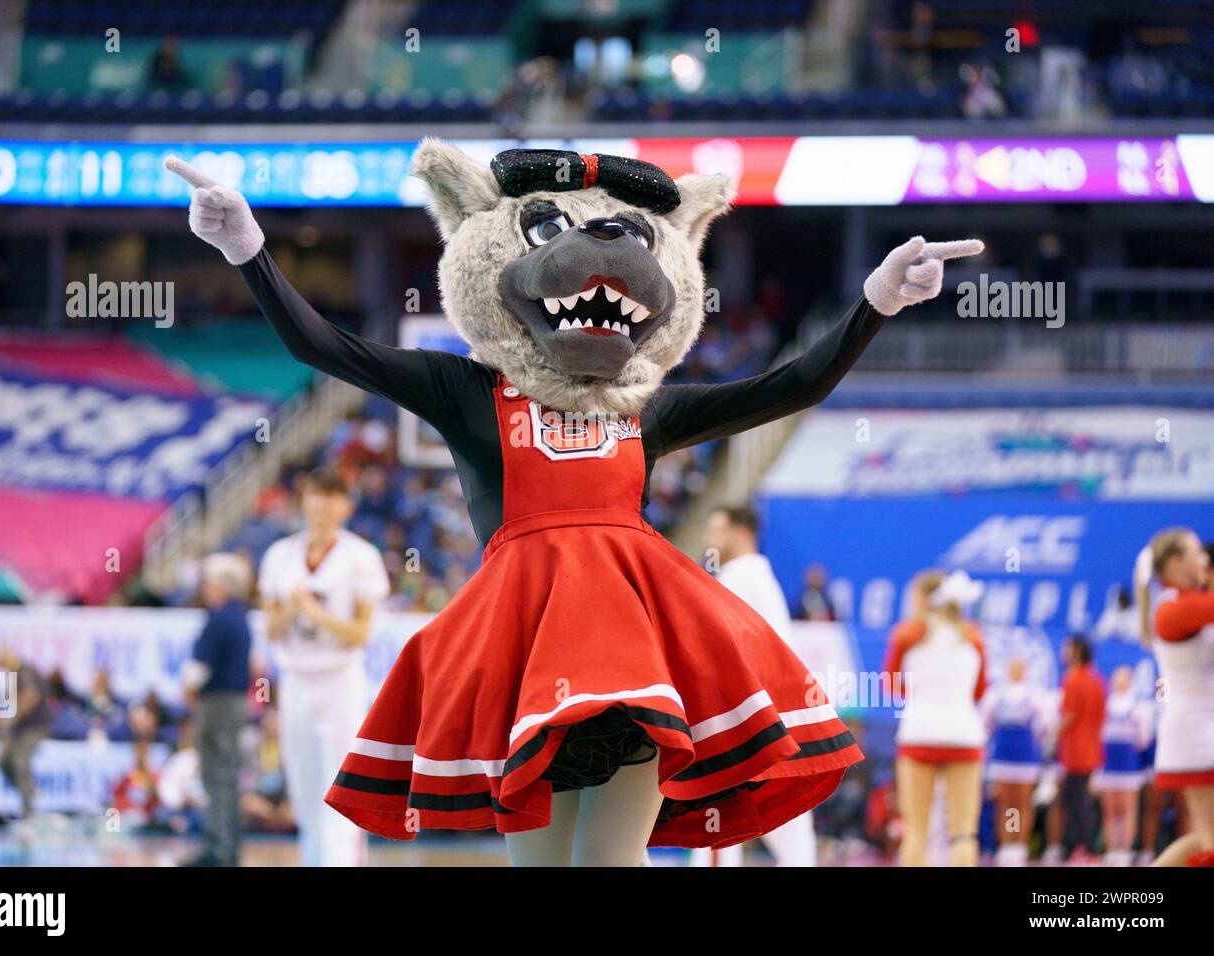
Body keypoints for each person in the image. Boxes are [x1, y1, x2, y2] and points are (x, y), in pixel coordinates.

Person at [166, 141, 979, 865]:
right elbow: (323, 344)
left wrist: (874, 303)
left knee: (611, 861)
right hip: (530, 658)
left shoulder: (644, 408)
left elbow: (788, 386)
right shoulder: (466, 390)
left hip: (636, 669)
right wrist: (250, 251)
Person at [258, 467, 389, 867]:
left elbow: (361, 634)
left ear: (346, 506)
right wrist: (293, 610)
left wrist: (314, 613)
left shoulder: (360, 556)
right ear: (304, 500)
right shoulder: (280, 556)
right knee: (304, 788)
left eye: (331, 497)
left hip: (339, 679)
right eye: (315, 495)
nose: (320, 505)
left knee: (341, 784)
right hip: (297, 679)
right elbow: (271, 628)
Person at [690, 505, 816, 867]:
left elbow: (716, 651)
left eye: (716, 530)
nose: (708, 540)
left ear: (741, 533)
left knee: (721, 816)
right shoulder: (754, 577)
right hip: (767, 711)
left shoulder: (740, 577)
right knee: (783, 821)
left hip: (751, 714)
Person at [885, 569, 987, 867]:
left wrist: (921, 690)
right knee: (963, 832)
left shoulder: (906, 634)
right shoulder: (974, 637)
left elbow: (890, 684)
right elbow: (980, 690)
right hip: (963, 735)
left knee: (916, 830)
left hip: (920, 733)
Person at [1135, 527, 1214, 866]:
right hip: (1193, 733)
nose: (1204, 559)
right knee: (1209, 840)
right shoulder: (1171, 608)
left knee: (1205, 838)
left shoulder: (1186, 603)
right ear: (1176, 562)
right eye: (1198, 552)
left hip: (1200, 726)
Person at [181, 551, 254, 866]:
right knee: (227, 774)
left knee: (216, 775)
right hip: (234, 702)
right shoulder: (241, 617)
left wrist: (188, 690)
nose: (205, 587)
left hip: (218, 703)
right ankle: (229, 845)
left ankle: (218, 848)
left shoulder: (220, 617)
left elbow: (199, 667)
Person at [981, 657, 1054, 866]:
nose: (1015, 671)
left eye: (1019, 667)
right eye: (1011, 667)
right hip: (1003, 757)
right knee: (1005, 803)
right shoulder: (996, 695)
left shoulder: (1034, 696)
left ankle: (1019, 844)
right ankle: (1006, 844)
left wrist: (1035, 744)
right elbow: (986, 724)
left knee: (1021, 803)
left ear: (1025, 670)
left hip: (1025, 758)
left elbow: (1045, 726)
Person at [1052, 635, 1106, 863]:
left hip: (1076, 750)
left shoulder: (1072, 679)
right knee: (1078, 800)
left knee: (1075, 802)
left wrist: (1052, 736)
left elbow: (1069, 716)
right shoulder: (1097, 680)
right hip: (1092, 748)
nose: (1063, 651)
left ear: (1076, 651)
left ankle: (1082, 847)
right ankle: (1084, 846)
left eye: (1067, 648)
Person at [1097, 666, 1153, 865]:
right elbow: (1098, 734)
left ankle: (1124, 850)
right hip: (1108, 764)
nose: (1120, 682)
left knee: (1127, 809)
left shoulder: (1138, 706)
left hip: (1128, 764)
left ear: (1131, 681)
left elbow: (1144, 739)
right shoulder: (1105, 705)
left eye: (1124, 678)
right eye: (1117, 677)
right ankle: (1111, 848)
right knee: (1110, 810)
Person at [0, 646, 50, 820]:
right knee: (3, 760)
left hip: (34, 727)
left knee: (20, 761)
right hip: (20, 729)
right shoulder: (12, 675)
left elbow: (30, 697)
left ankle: (29, 810)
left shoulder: (23, 671)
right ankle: (30, 794)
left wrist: (11, 718)